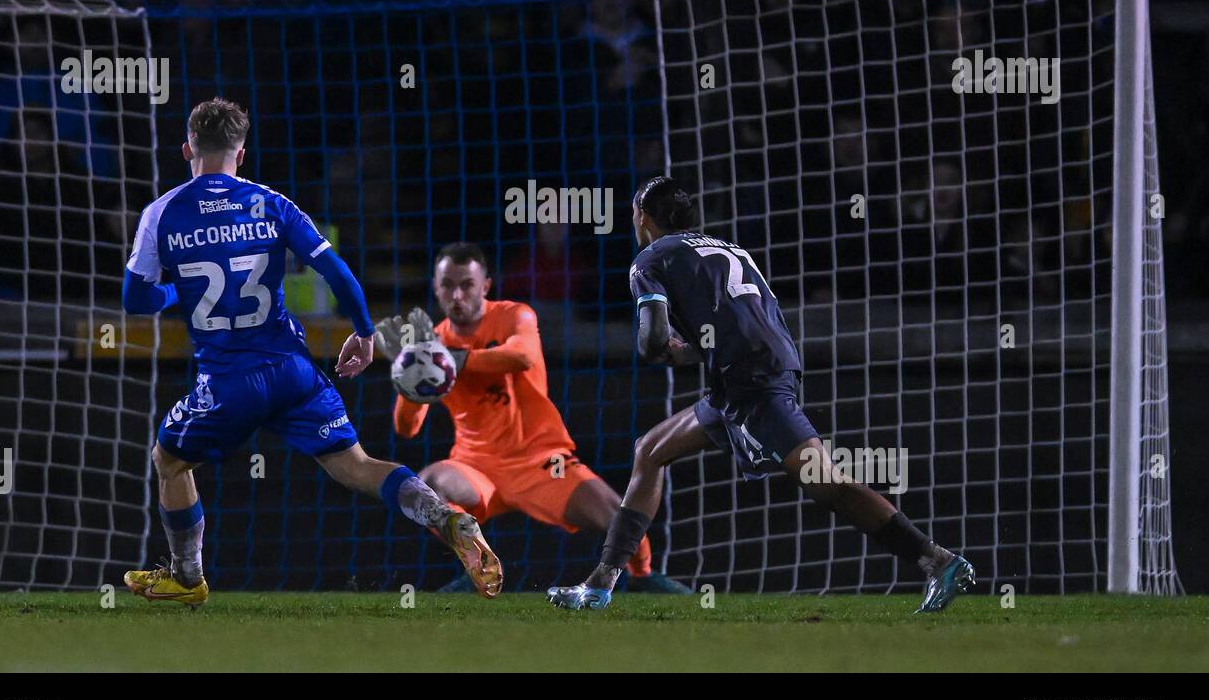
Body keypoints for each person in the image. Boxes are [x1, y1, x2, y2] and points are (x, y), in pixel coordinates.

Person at [121, 98, 501, 604]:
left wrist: (178, 290)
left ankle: (187, 578)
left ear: (187, 148)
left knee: (169, 461)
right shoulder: (272, 204)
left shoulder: (163, 212)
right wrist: (363, 333)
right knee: (358, 465)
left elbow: (135, 300)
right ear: (242, 153)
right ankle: (446, 517)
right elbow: (337, 272)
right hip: (293, 371)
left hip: (229, 382)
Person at [548, 177, 973, 611]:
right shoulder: (728, 248)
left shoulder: (649, 260)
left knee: (826, 482)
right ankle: (600, 585)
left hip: (751, 381)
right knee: (650, 450)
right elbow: (740, 320)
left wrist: (666, 348)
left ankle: (937, 561)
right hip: (755, 372)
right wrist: (692, 350)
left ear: (642, 217)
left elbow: (651, 342)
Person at [376, 242, 688, 594]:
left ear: (485, 286)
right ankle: (476, 563)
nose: (457, 295)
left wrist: (452, 359)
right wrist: (410, 384)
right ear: (435, 288)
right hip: (475, 465)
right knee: (426, 486)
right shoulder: (430, 350)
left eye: (467, 285)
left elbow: (522, 355)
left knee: (622, 520)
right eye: (448, 285)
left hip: (543, 462)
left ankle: (643, 577)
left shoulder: (513, 315)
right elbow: (406, 429)